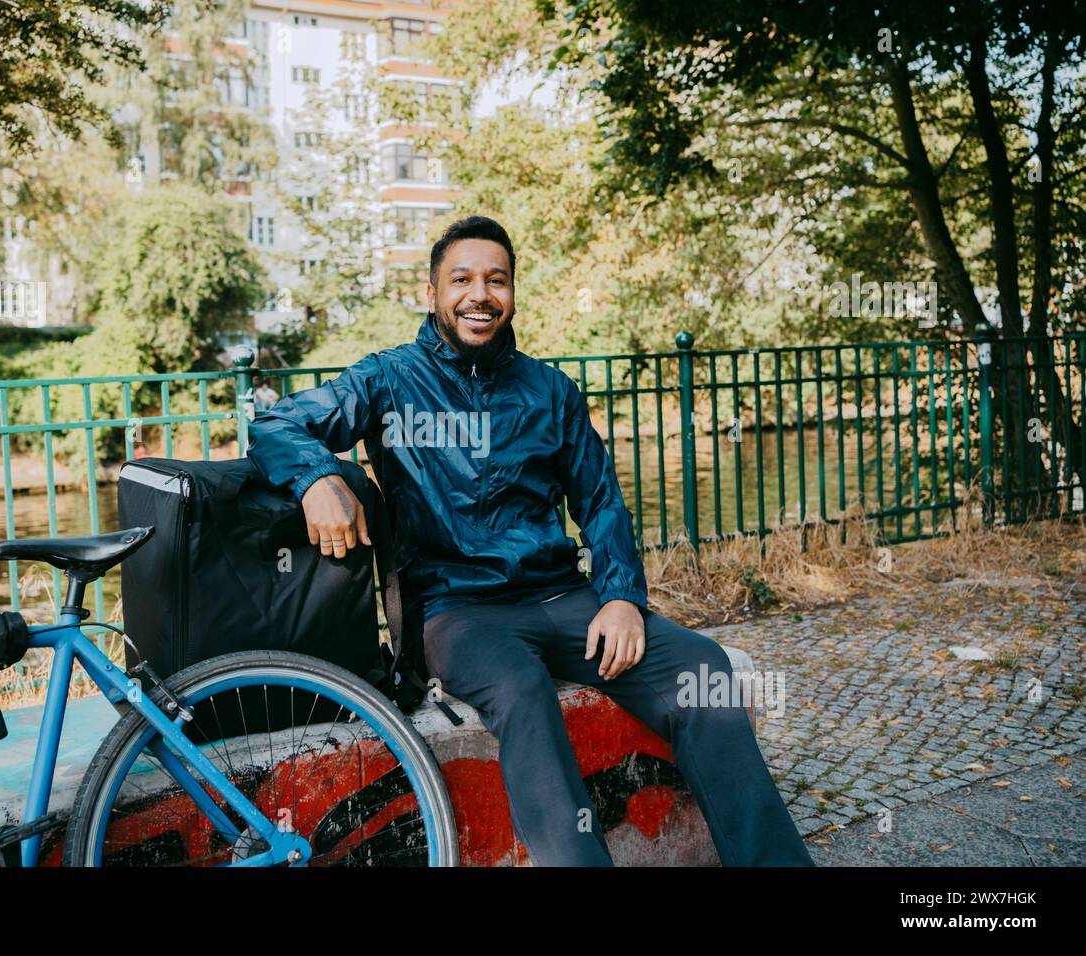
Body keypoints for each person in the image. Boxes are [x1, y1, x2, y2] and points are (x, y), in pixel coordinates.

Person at [246, 215, 814, 867]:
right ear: (433, 294)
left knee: (701, 669)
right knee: (522, 688)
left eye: (497, 279)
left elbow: (601, 503)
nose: (479, 294)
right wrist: (318, 476)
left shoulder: (551, 392)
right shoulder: (387, 380)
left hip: (563, 599)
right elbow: (276, 424)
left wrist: (623, 598)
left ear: (513, 292)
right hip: (459, 614)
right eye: (461, 279)